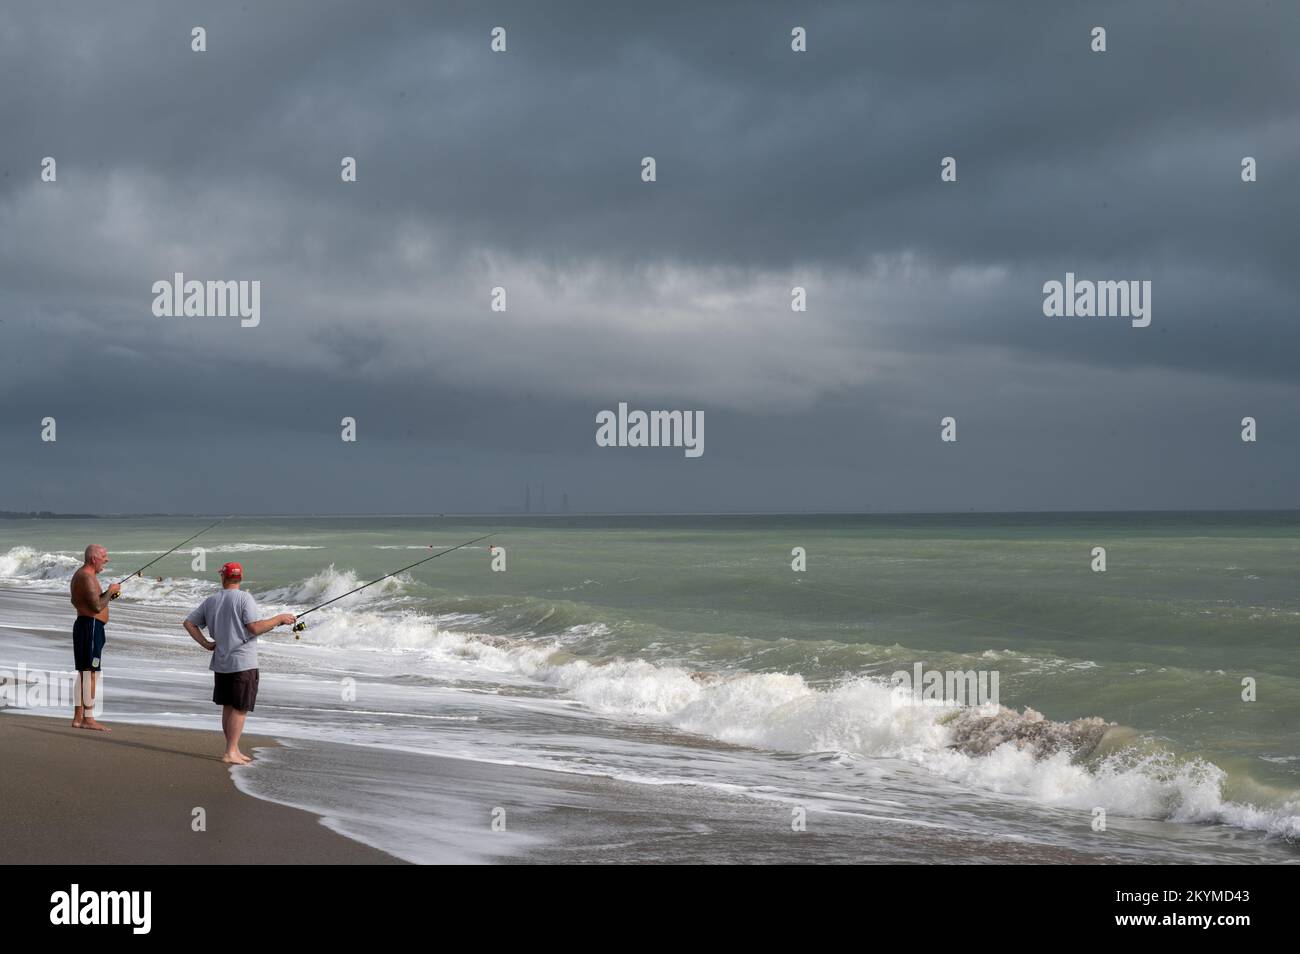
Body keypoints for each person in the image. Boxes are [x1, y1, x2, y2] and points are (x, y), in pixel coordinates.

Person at [182, 562, 295, 764]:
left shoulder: (212, 600)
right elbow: (254, 628)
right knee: (240, 708)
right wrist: (279, 619)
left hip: (222, 662)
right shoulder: (245, 598)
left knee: (228, 706)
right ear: (240, 578)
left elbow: (189, 623)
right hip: (243, 662)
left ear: (223, 577)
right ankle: (230, 751)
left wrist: (206, 644)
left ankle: (231, 749)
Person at [69, 544, 120, 731]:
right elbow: (97, 607)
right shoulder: (87, 577)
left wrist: (109, 595)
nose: (107, 560)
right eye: (104, 556)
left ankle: (78, 717)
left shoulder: (82, 576)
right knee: (91, 673)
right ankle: (88, 719)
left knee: (85, 673)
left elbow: (85, 601)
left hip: (87, 626)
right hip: (90, 627)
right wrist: (111, 591)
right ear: (93, 559)